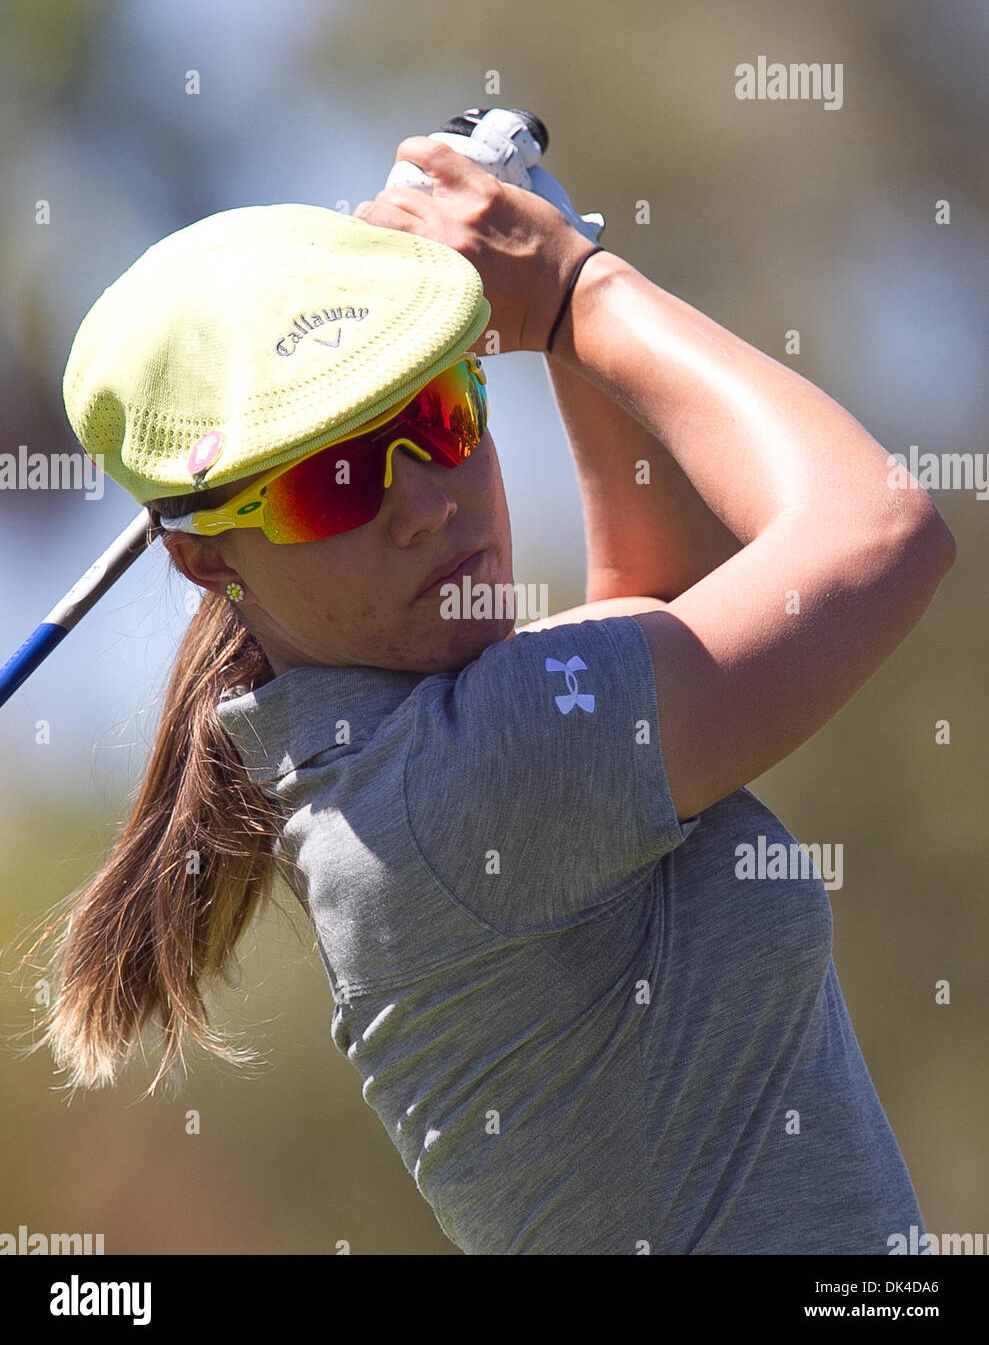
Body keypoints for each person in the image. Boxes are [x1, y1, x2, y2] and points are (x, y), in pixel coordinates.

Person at [25, 136, 955, 1255]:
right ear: (208, 561)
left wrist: (561, 304)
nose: (427, 504)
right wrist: (574, 292)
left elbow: (649, 602)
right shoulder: (461, 786)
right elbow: (881, 529)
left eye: (442, 415)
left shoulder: (422, 761)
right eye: (329, 479)